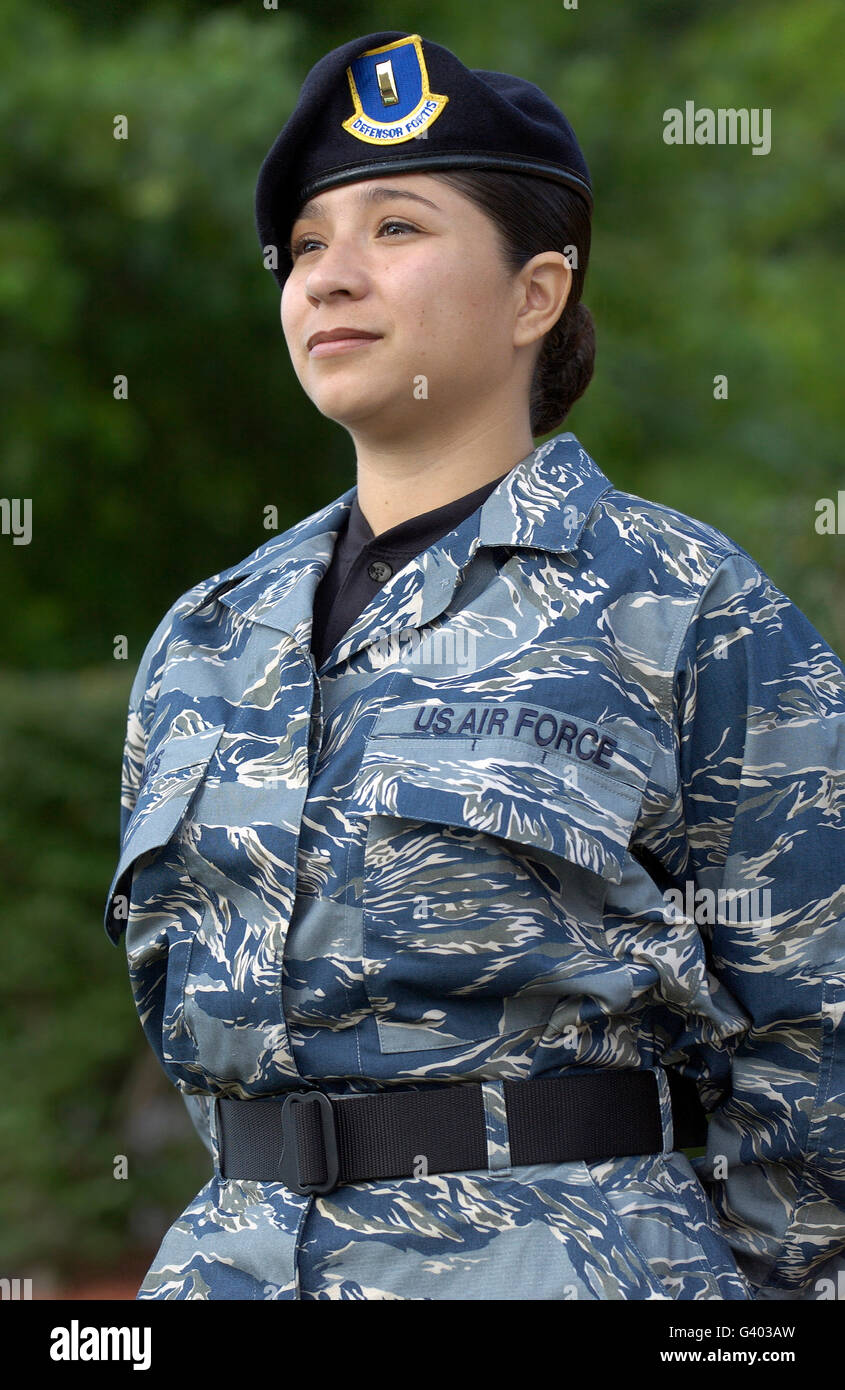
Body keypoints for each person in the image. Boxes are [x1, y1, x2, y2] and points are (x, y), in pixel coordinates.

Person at [104, 29, 845, 1301]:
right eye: (306, 244)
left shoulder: (684, 606)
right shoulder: (206, 636)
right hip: (231, 1268)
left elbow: (814, 1019)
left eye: (394, 228)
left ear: (533, 295)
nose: (328, 277)